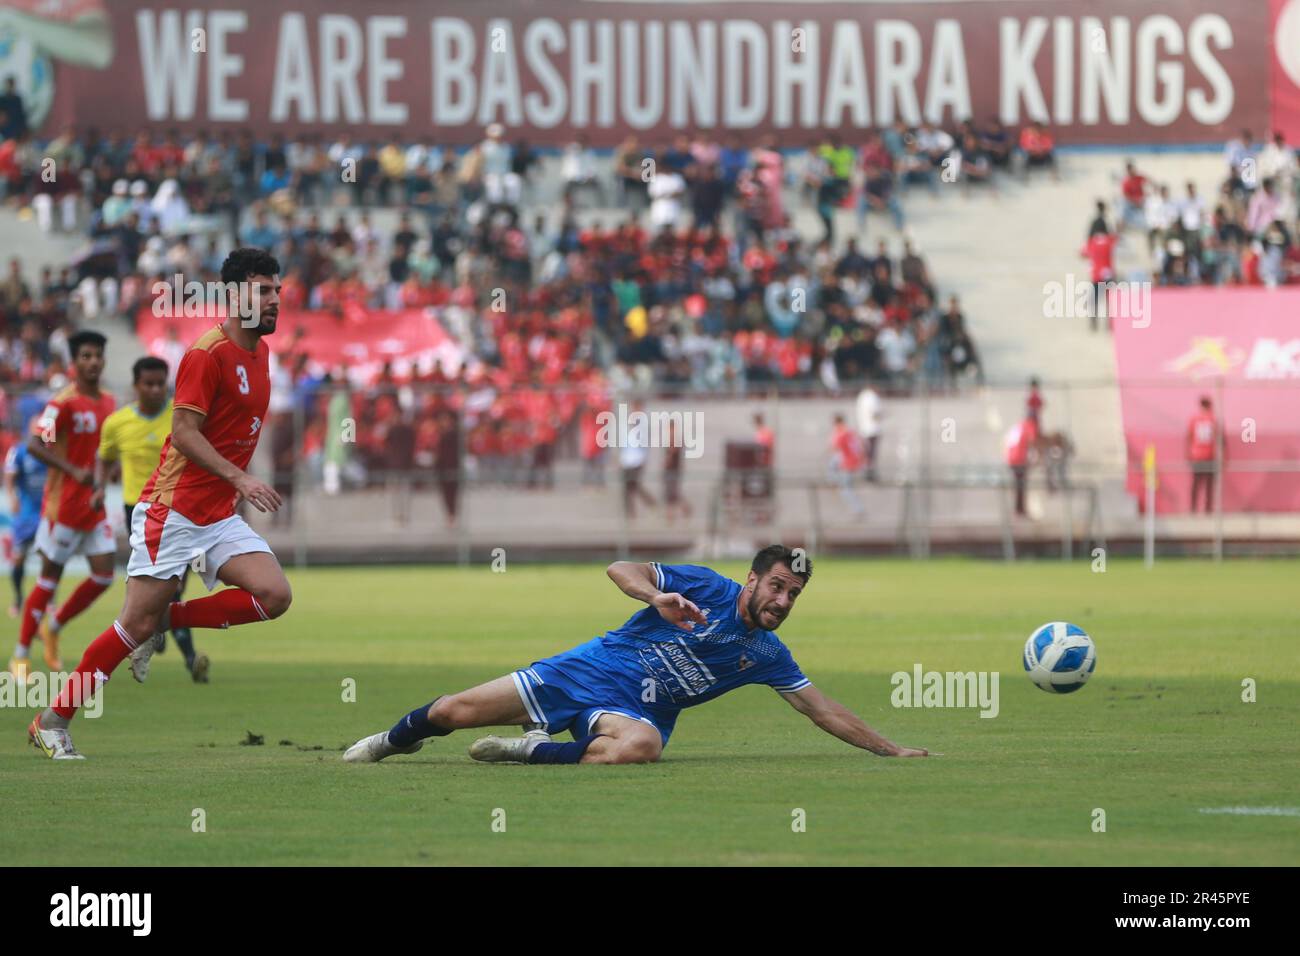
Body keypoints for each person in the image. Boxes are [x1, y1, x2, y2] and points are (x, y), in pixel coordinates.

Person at [27, 249, 292, 760]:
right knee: (132, 625)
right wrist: (240, 478)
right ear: (235, 296)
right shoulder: (207, 354)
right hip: (171, 511)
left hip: (215, 515)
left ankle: (170, 620)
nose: (275, 301)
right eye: (263, 291)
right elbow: (184, 433)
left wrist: (232, 488)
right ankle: (52, 720)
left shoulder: (260, 356)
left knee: (274, 595)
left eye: (277, 291)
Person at [343, 546, 929, 765]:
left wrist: (892, 749)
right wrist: (656, 596)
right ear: (751, 579)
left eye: (793, 594)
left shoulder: (768, 654)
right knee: (449, 713)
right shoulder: (703, 587)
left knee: (642, 748)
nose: (782, 600)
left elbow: (822, 709)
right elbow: (619, 567)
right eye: (776, 585)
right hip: (583, 672)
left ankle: (530, 751)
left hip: (632, 713)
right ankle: (389, 742)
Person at [8, 331, 116, 682]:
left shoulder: (108, 403)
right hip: (64, 506)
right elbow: (37, 444)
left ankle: (53, 626)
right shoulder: (63, 404)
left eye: (97, 355)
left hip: (94, 504)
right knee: (48, 581)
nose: (93, 362)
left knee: (103, 575)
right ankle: (21, 654)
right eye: (85, 356)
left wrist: (102, 480)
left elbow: (106, 451)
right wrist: (72, 470)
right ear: (74, 363)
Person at [97, 355, 209, 682]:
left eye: (162, 383)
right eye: (149, 383)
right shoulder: (117, 424)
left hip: (180, 509)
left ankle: (155, 631)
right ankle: (190, 659)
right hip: (139, 513)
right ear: (136, 386)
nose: (156, 389)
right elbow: (104, 459)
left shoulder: (181, 417)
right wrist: (99, 488)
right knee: (168, 590)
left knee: (171, 590)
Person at [4, 423, 46, 617]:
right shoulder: (19, 451)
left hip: (47, 514)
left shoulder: (54, 453)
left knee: (50, 560)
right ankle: (18, 599)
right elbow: (10, 476)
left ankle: (47, 603)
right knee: (19, 558)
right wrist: (12, 498)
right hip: (26, 515)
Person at [1186, 396, 1219, 514]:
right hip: (1204, 455)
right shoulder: (1212, 419)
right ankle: (1202, 509)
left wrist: (1188, 453)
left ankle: (1200, 509)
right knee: (1203, 484)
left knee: (1202, 484)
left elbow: (1188, 437)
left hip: (1203, 455)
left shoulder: (1199, 419)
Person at [854, 384, 882, 482]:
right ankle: (869, 473)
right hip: (872, 429)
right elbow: (875, 413)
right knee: (871, 453)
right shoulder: (872, 397)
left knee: (865, 452)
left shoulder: (862, 397)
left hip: (863, 429)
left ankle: (865, 471)